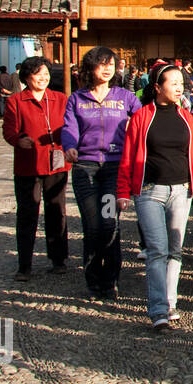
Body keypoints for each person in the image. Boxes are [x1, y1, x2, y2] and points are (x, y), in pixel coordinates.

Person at [116, 64, 193, 330]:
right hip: (149, 191)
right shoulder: (143, 116)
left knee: (175, 250)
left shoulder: (186, 116)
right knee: (157, 250)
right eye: (173, 83)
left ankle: (170, 300)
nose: (180, 88)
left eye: (182, 83)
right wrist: (122, 191)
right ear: (157, 87)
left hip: (181, 190)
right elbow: (128, 156)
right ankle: (157, 309)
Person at [62, 47, 141, 298]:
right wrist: (70, 146)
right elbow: (69, 128)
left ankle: (111, 279)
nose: (107, 68)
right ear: (90, 68)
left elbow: (143, 122)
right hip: (85, 169)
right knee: (92, 225)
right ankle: (93, 276)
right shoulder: (77, 98)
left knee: (109, 223)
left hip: (113, 169)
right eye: (101, 64)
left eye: (111, 64)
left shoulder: (125, 97)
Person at [3, 56, 71, 281]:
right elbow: (9, 130)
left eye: (46, 73)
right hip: (29, 163)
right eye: (38, 73)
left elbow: (71, 125)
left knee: (56, 210)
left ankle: (59, 259)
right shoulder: (16, 101)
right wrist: (18, 139)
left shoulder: (60, 98)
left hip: (57, 160)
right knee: (27, 213)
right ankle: (24, 265)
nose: (43, 77)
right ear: (26, 77)